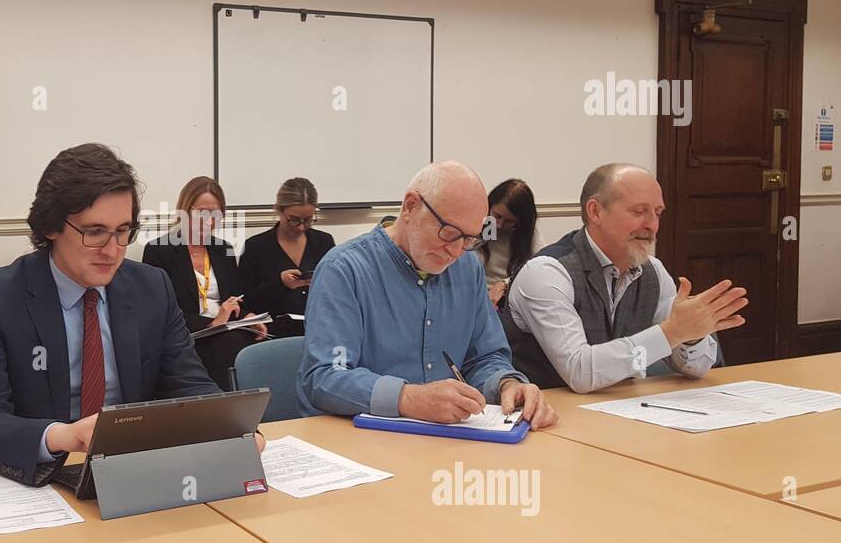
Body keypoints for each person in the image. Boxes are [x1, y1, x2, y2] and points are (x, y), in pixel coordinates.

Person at [0, 145, 260, 487]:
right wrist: (62, 436)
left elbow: (189, 383)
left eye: (123, 231)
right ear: (51, 225)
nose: (112, 251)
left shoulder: (151, 288)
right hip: (40, 479)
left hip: (131, 476)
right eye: (94, 232)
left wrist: (233, 429)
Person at [298, 161, 557, 430]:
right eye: (450, 233)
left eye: (469, 238)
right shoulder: (344, 270)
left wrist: (507, 384)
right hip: (359, 441)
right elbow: (326, 376)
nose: (456, 251)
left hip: (444, 440)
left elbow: (484, 357)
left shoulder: (467, 268)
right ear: (410, 207)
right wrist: (408, 398)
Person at [502, 163, 747, 393]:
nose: (652, 225)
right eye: (639, 211)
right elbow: (580, 371)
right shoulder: (546, 272)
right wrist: (672, 332)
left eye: (658, 213)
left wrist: (691, 337)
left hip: (621, 411)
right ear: (595, 211)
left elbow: (699, 368)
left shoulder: (653, 271)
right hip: (543, 419)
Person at [141, 176, 267, 390]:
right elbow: (158, 312)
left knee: (259, 347)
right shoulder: (159, 250)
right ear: (184, 210)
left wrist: (247, 317)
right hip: (188, 334)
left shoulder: (223, 249)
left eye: (215, 215)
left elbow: (236, 298)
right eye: (202, 213)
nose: (209, 221)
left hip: (227, 330)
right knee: (229, 345)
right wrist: (212, 323)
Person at [238, 177, 336, 338]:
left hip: (319, 331)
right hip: (272, 335)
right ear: (278, 209)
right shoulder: (256, 246)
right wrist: (280, 283)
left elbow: (336, 292)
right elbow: (247, 302)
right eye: (294, 220)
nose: (301, 226)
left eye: (308, 220)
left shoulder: (323, 242)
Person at [476, 178, 538, 308]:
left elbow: (538, 270)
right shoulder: (483, 223)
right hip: (476, 293)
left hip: (509, 297)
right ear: (489, 206)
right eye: (497, 216)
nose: (500, 224)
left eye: (510, 221)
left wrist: (505, 284)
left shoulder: (526, 233)